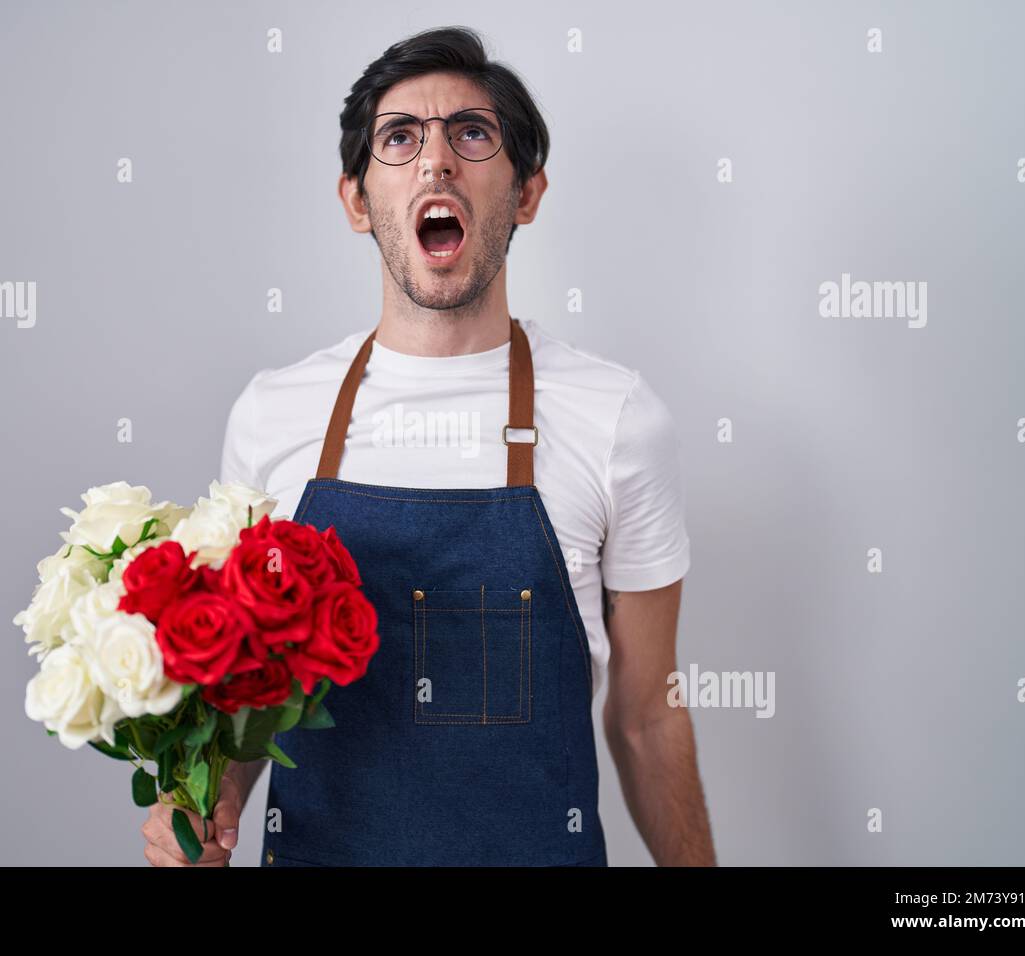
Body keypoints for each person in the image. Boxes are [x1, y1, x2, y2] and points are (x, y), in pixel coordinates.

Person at [142, 25, 714, 867]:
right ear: (356, 199)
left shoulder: (619, 419)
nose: (436, 162)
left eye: (472, 134)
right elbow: (253, 698)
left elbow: (647, 713)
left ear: (525, 194)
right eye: (400, 137)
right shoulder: (273, 415)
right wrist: (209, 798)